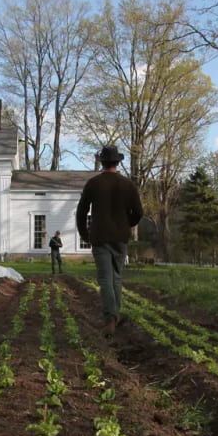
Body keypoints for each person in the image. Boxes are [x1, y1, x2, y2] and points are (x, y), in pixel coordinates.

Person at [76, 144, 143, 335]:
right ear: (117, 162)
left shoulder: (93, 184)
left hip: (99, 236)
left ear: (102, 162)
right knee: (116, 276)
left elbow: (81, 212)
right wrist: (126, 224)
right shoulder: (128, 184)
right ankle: (115, 315)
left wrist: (84, 234)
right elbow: (139, 212)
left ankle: (110, 317)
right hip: (120, 237)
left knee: (105, 278)